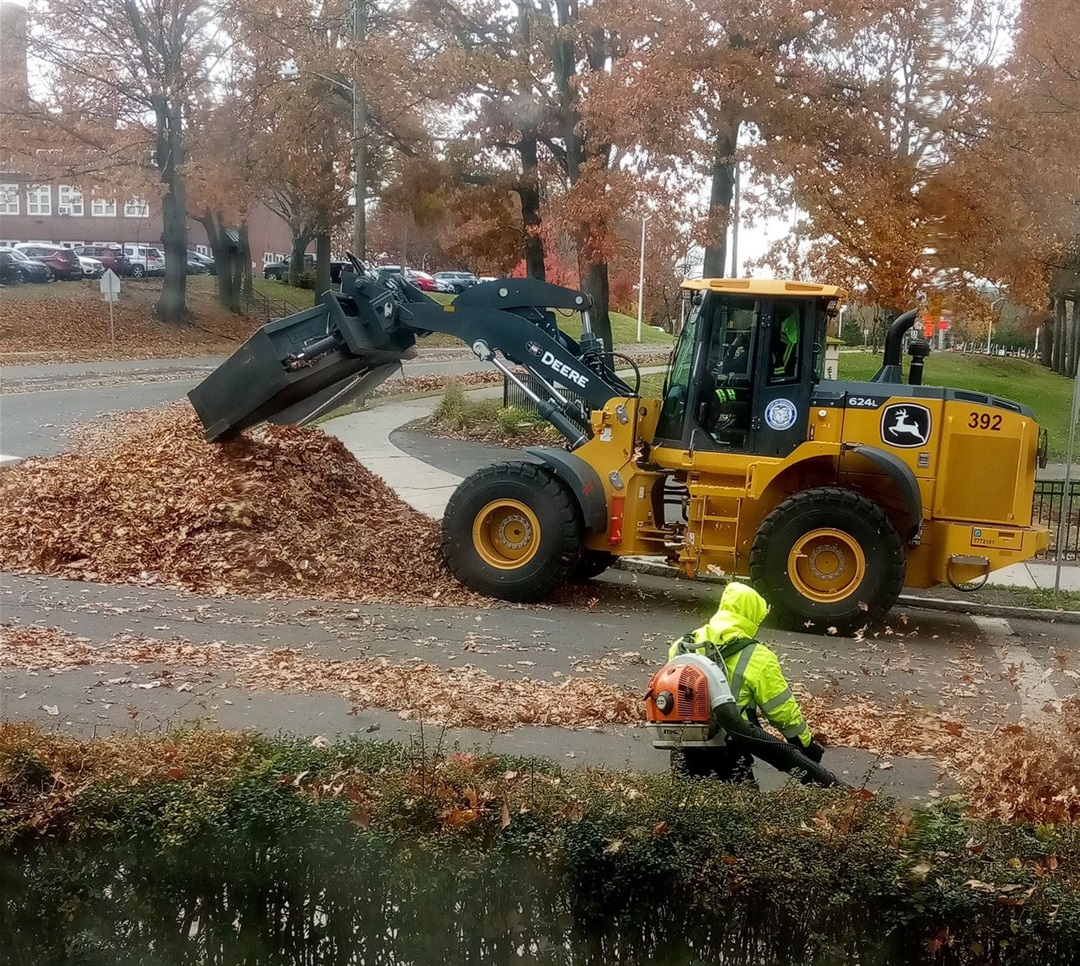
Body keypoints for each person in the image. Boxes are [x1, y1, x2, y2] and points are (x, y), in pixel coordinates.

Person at [668, 581, 826, 783]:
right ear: (753, 616)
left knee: (681, 807)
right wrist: (806, 746)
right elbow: (783, 712)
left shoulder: (682, 645)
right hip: (730, 751)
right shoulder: (757, 656)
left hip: (684, 747)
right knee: (742, 809)